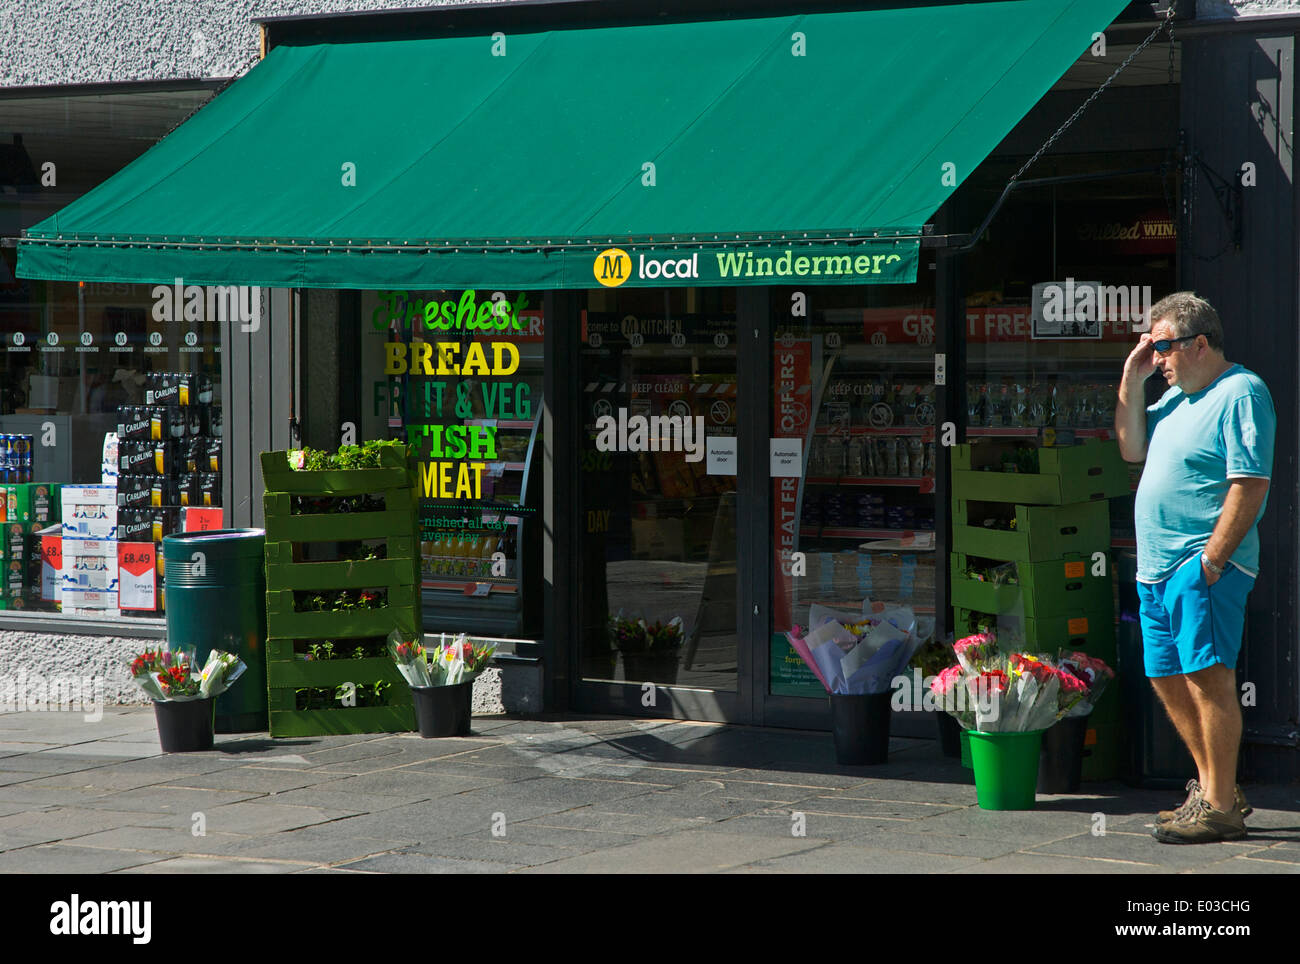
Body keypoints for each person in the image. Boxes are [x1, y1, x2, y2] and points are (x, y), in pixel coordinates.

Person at [1114, 292, 1274, 843]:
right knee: (1165, 675)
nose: (1156, 357)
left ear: (1198, 342)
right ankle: (1212, 789)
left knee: (1208, 679)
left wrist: (1211, 559)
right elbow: (1131, 447)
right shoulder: (1174, 399)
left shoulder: (1240, 391)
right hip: (1156, 570)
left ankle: (1222, 805)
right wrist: (1132, 380)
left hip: (1199, 566)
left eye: (1161, 347)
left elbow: (1250, 483)